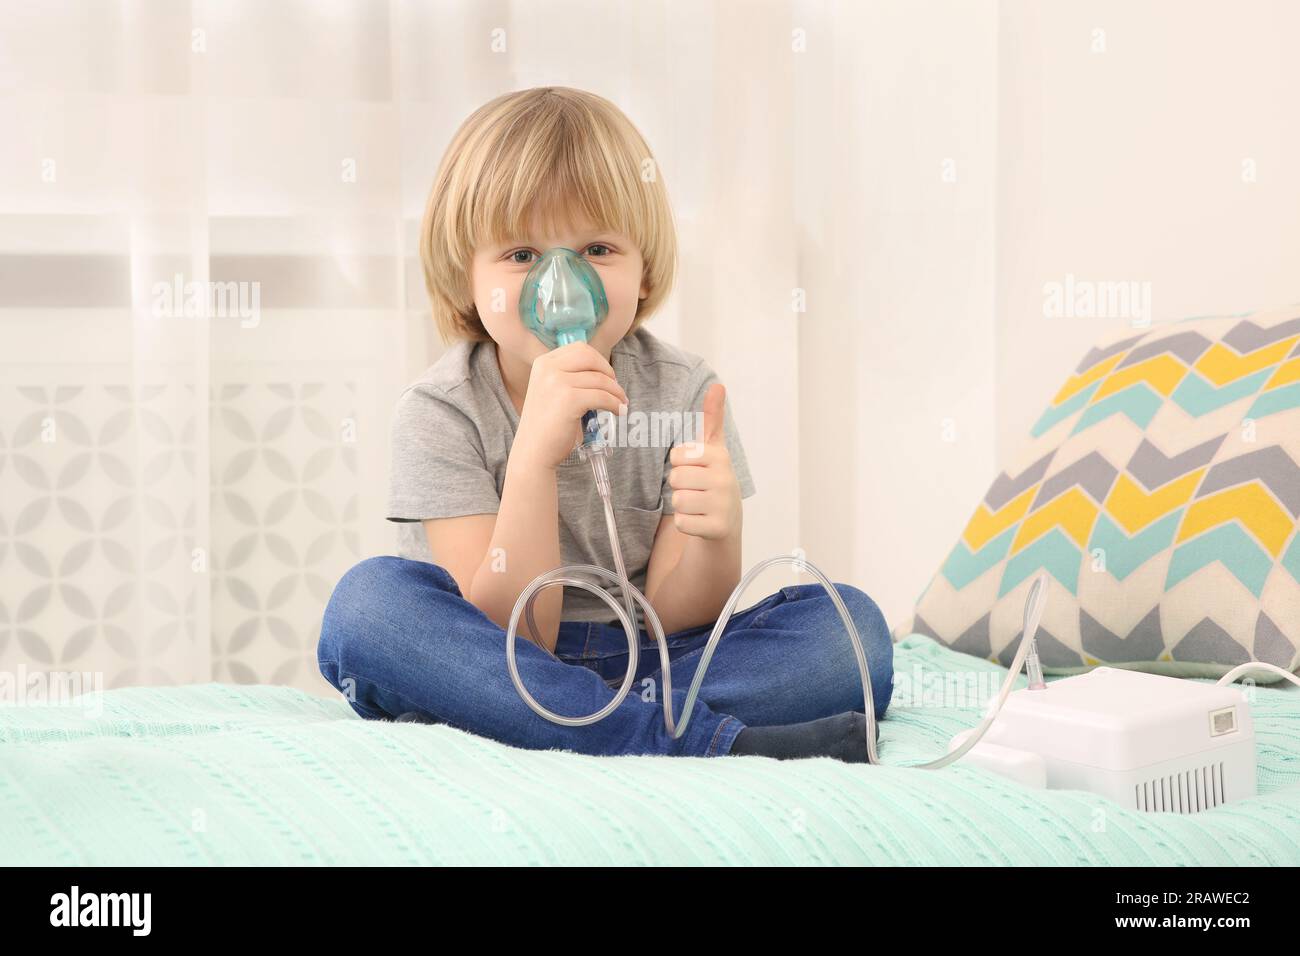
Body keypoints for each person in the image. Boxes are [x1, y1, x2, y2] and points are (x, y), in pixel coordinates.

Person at [317, 86, 893, 760]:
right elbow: (515, 636)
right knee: (367, 609)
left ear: (644, 270)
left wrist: (717, 533)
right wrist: (533, 462)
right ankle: (689, 741)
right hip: (496, 655)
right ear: (463, 278)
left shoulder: (684, 393)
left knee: (850, 632)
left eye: (595, 249)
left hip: (653, 661)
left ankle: (528, 723)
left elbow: (682, 616)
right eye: (522, 255)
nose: (561, 285)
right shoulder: (441, 411)